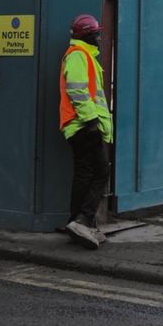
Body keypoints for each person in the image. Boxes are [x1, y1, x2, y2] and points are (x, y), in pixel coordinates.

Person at [59, 13, 113, 249]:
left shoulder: (82, 56)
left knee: (85, 174)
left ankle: (78, 223)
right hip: (84, 125)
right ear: (88, 35)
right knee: (101, 172)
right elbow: (77, 91)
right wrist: (92, 122)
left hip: (80, 125)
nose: (99, 37)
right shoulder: (79, 56)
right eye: (96, 34)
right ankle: (82, 221)